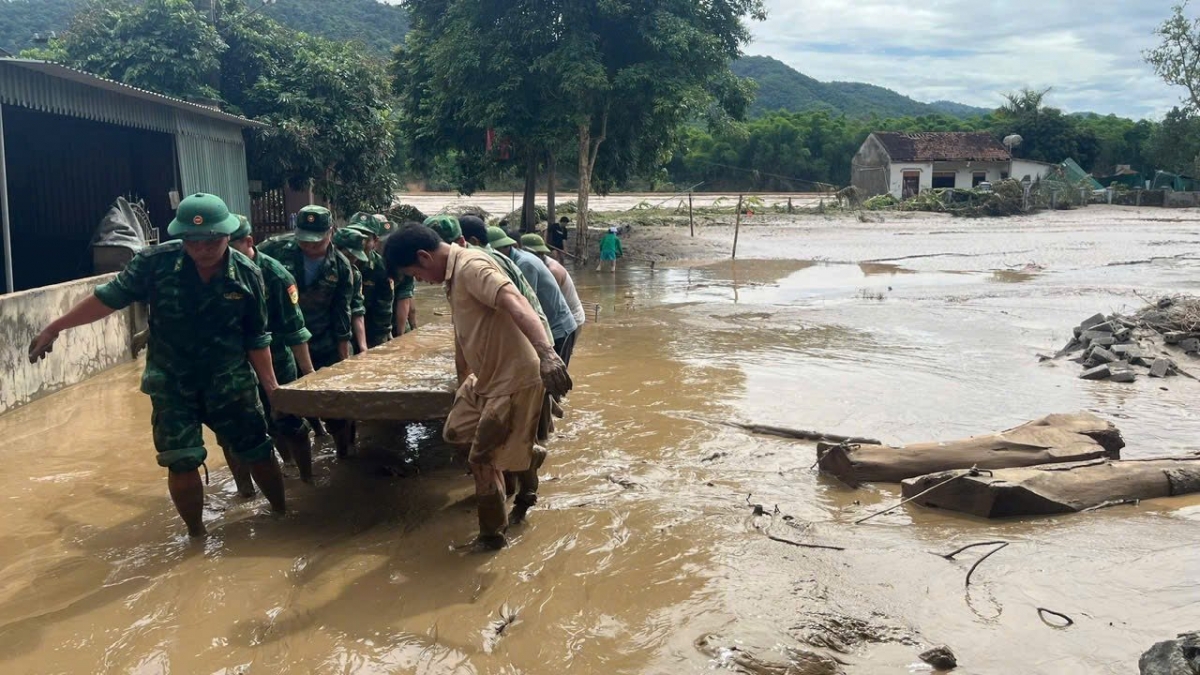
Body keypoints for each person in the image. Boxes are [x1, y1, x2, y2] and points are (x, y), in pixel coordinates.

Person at [28, 193, 287, 537]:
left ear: (227, 235)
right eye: (192, 241)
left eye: (212, 240)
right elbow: (109, 298)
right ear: (181, 237)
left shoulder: (249, 274)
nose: (203, 249)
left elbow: (256, 338)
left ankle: (282, 516)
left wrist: (271, 388)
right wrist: (54, 327)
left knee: (257, 447)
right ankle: (196, 538)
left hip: (229, 379)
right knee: (180, 459)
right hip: (172, 381)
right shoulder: (154, 263)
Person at [383, 224, 572, 550]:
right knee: (457, 432)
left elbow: (514, 300)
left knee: (482, 459)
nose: (419, 281)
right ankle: (528, 454)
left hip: (513, 376)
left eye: (414, 274)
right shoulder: (453, 277)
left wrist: (547, 355)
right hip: (485, 380)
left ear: (424, 257)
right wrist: (462, 384)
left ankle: (491, 536)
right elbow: (464, 337)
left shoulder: (472, 267)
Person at [259, 206, 357, 458]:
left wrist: (344, 358)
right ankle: (290, 464)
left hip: (322, 340)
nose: (309, 247)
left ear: (331, 233)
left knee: (335, 406)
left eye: (316, 242)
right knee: (280, 409)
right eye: (303, 241)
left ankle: (342, 453)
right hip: (280, 342)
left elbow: (342, 312)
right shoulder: (273, 249)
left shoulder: (342, 266)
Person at [228, 215, 317, 484]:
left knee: (289, 422)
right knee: (238, 430)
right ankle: (247, 490)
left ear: (248, 242)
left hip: (276, 360)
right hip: (233, 364)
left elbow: (295, 330)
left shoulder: (276, 275)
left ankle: (306, 478)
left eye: (231, 246)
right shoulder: (211, 271)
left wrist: (309, 376)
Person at [490, 227, 579, 364]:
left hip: (559, 330)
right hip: (551, 328)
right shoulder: (514, 261)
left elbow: (526, 305)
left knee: (554, 380)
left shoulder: (524, 264)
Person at [520, 233, 585, 365]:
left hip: (571, 319)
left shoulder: (552, 270)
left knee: (557, 361)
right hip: (563, 317)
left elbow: (541, 303)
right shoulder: (541, 265)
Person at [346, 213, 399, 348]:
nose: (360, 242)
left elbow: (383, 310)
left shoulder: (381, 268)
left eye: (365, 239)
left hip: (370, 325)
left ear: (375, 242)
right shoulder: (337, 261)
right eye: (356, 235)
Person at [333, 227, 370, 355]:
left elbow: (357, 310)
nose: (351, 261)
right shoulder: (323, 267)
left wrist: (363, 347)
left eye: (355, 257)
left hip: (342, 334)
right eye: (348, 256)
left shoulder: (355, 275)